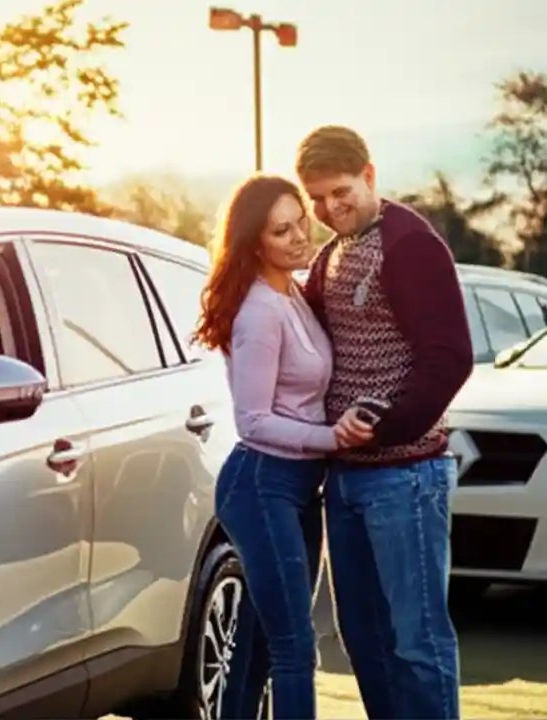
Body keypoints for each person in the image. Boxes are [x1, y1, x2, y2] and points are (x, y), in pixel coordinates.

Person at [297, 125, 473, 720]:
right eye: (317, 198)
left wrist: (388, 423)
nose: (329, 208)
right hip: (344, 477)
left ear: (369, 176)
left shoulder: (409, 245)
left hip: (405, 475)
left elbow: (450, 356)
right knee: (364, 640)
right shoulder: (332, 252)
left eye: (340, 191)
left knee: (416, 642)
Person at [192, 174, 372, 719]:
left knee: (261, 645)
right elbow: (252, 422)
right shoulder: (259, 313)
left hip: (299, 484)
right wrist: (330, 437)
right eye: (281, 230)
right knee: (296, 647)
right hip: (261, 484)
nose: (299, 236)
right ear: (254, 244)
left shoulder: (292, 292)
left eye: (300, 221)